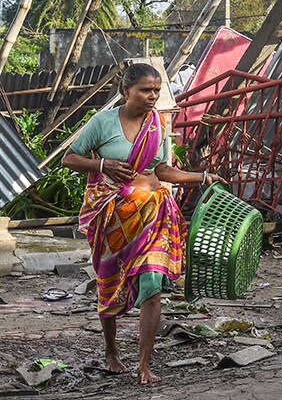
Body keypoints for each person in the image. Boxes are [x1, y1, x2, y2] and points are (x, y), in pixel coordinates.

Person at [62, 64, 225, 384]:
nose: (152, 96)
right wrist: (103, 163)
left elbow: (163, 171)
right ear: (126, 91)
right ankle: (111, 352)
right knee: (109, 284)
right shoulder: (102, 122)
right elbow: (70, 158)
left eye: (156, 90)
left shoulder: (159, 125)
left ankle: (145, 364)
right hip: (114, 220)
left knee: (152, 283)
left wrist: (203, 176)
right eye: (145, 90)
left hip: (153, 215)